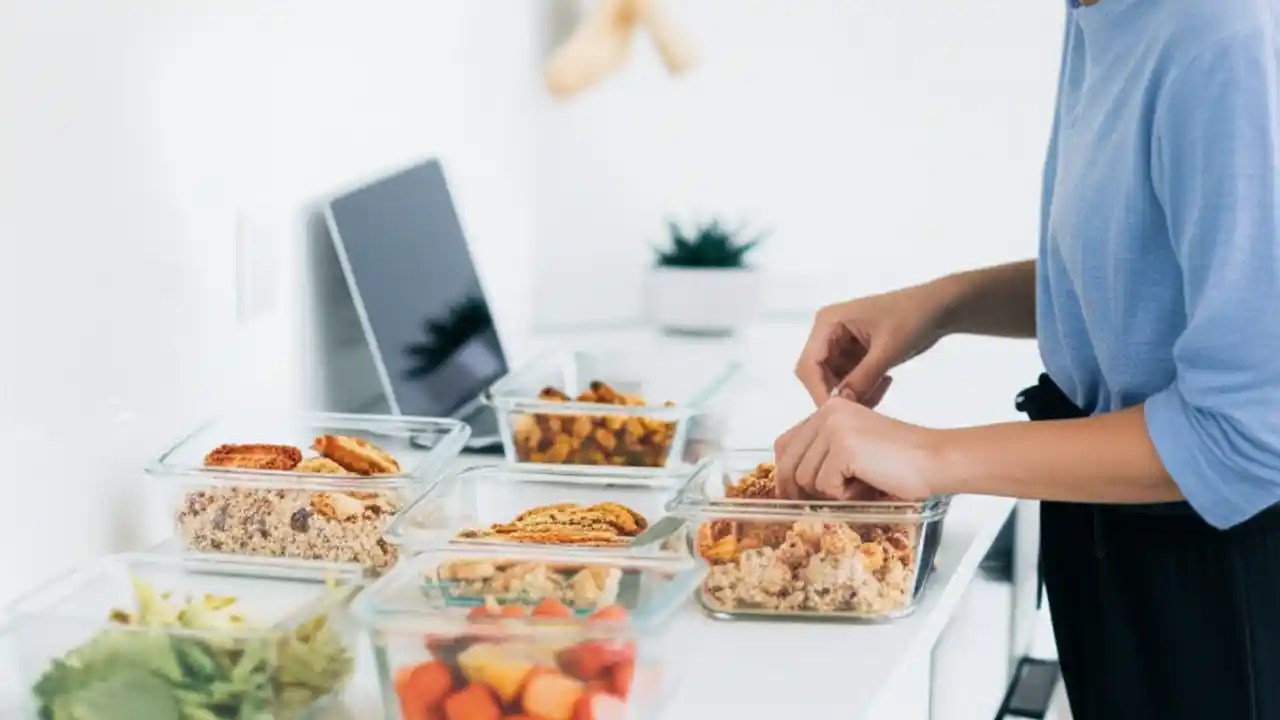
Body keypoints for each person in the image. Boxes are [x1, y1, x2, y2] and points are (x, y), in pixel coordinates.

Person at [773, 1, 1280, 718]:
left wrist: (929, 456)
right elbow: (1145, 279)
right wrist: (942, 305)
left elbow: (1250, 433)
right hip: (1118, 543)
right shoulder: (1100, 12)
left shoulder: (1223, 32)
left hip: (1227, 577)